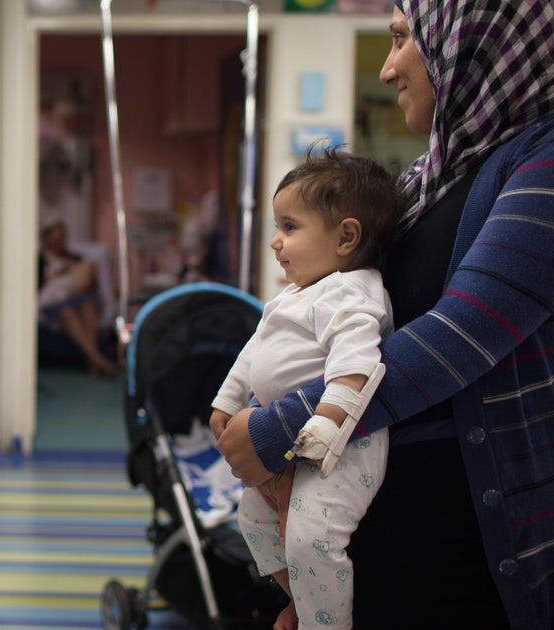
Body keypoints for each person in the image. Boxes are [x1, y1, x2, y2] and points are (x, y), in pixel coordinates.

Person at [213, 1, 554, 627]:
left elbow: (460, 336)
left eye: (403, 40)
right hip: (372, 536)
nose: (389, 67)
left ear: (470, 42)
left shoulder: (542, 161)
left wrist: (277, 429)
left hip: (463, 555)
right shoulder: (429, 180)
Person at [210, 147, 405, 630]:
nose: (277, 243)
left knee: (311, 538)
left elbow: (357, 367)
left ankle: (325, 623)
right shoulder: (295, 294)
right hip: (291, 445)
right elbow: (255, 349)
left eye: (290, 227)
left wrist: (324, 424)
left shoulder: (352, 293)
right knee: (253, 520)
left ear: (346, 237)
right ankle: (303, 600)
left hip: (342, 446)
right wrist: (227, 399)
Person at [37, 219, 118, 376]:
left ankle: (91, 361)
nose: (60, 242)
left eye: (62, 238)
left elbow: (89, 282)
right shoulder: (39, 262)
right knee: (67, 313)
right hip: (53, 302)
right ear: (47, 239)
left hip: (76, 297)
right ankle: (98, 361)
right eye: (56, 238)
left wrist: (83, 276)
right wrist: (60, 274)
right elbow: (40, 288)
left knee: (88, 304)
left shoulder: (75, 258)